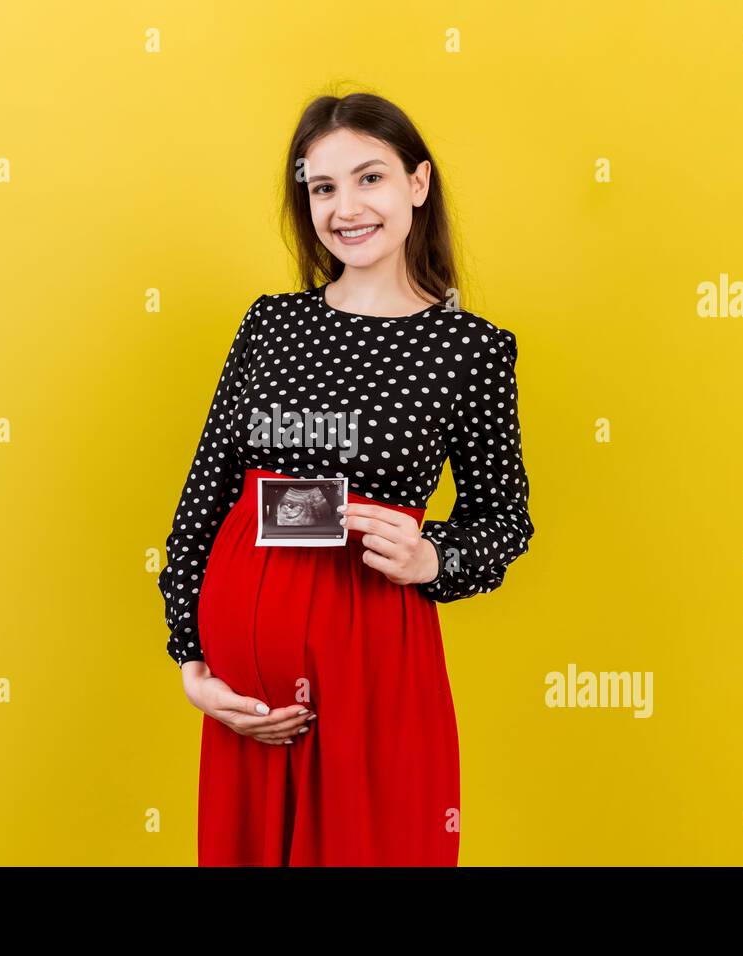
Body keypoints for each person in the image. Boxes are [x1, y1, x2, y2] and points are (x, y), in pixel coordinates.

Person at [157, 91, 536, 865]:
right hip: (249, 704)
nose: (346, 207)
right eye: (323, 187)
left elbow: (505, 519)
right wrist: (192, 659)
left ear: (417, 184)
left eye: (370, 178)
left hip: (371, 670)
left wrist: (435, 557)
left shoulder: (471, 349)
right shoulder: (271, 323)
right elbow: (207, 492)